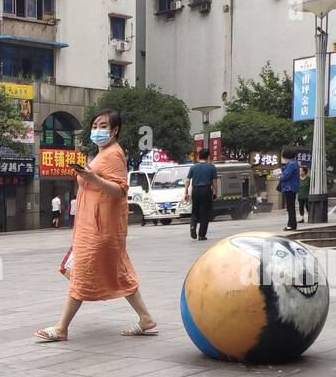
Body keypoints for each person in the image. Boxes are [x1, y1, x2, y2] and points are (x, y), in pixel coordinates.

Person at [35, 108, 158, 343]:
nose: (97, 130)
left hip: (100, 230)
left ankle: (61, 328)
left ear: (115, 130)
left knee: (82, 272)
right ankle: (146, 318)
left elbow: (121, 190)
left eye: (103, 126)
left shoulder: (113, 154)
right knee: (118, 273)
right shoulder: (103, 153)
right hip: (94, 227)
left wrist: (93, 178)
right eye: (94, 126)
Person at [184, 148, 218, 241]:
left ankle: (192, 227)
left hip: (195, 190)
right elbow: (214, 182)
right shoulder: (211, 167)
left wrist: (186, 192)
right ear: (208, 157)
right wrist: (215, 192)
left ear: (199, 157)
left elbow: (187, 180)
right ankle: (201, 235)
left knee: (195, 211)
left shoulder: (193, 167)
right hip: (206, 190)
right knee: (205, 213)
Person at [278, 150, 301, 231]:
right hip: (292, 188)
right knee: (290, 207)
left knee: (290, 207)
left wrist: (280, 176)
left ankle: (291, 225)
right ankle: (291, 224)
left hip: (289, 188)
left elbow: (286, 176)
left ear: (286, 156)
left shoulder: (291, 164)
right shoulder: (294, 163)